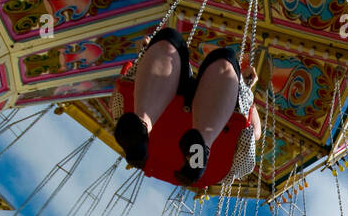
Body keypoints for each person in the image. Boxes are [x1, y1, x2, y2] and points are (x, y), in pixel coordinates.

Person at [110, 27, 261, 186]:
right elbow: (255, 132)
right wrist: (242, 87)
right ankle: (201, 149)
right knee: (225, 61)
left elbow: (118, 93)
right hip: (215, 159)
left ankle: (141, 125)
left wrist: (149, 57)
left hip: (155, 137)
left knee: (168, 41)